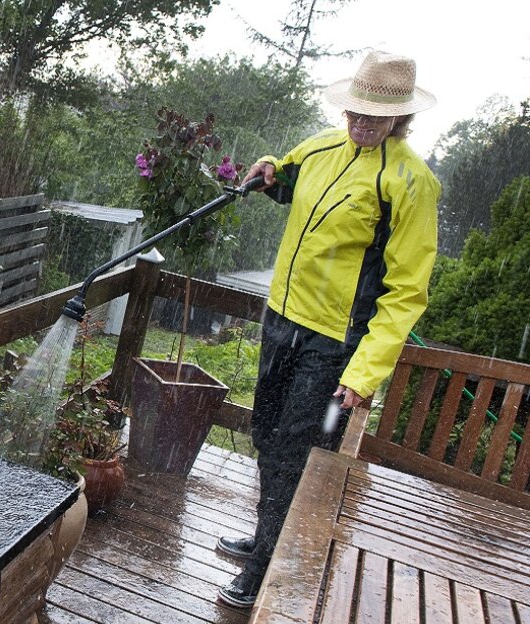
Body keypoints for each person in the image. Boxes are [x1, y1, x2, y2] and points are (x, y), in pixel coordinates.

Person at [215, 50, 440, 609]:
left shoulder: (411, 182)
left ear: (400, 116)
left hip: (336, 344)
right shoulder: (320, 145)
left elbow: (407, 291)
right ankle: (268, 536)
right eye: (354, 113)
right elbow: (283, 177)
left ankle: (267, 563)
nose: (360, 124)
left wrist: (364, 372)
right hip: (282, 320)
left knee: (300, 448)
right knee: (265, 434)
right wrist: (267, 166)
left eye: (374, 116)